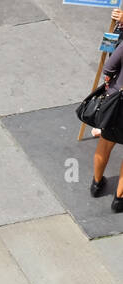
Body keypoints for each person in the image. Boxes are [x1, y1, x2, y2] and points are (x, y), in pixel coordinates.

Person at [91, 8, 123, 211]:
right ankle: (119, 199)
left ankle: (96, 184)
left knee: (106, 143)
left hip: (117, 102)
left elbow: (110, 67)